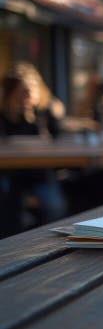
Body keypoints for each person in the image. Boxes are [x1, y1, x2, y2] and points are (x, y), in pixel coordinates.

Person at [0, 62, 67, 236]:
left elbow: (58, 140)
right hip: (9, 173)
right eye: (22, 91)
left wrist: (45, 114)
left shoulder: (43, 113)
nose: (28, 95)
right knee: (7, 206)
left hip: (39, 173)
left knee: (55, 207)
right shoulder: (4, 116)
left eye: (31, 89)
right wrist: (14, 114)